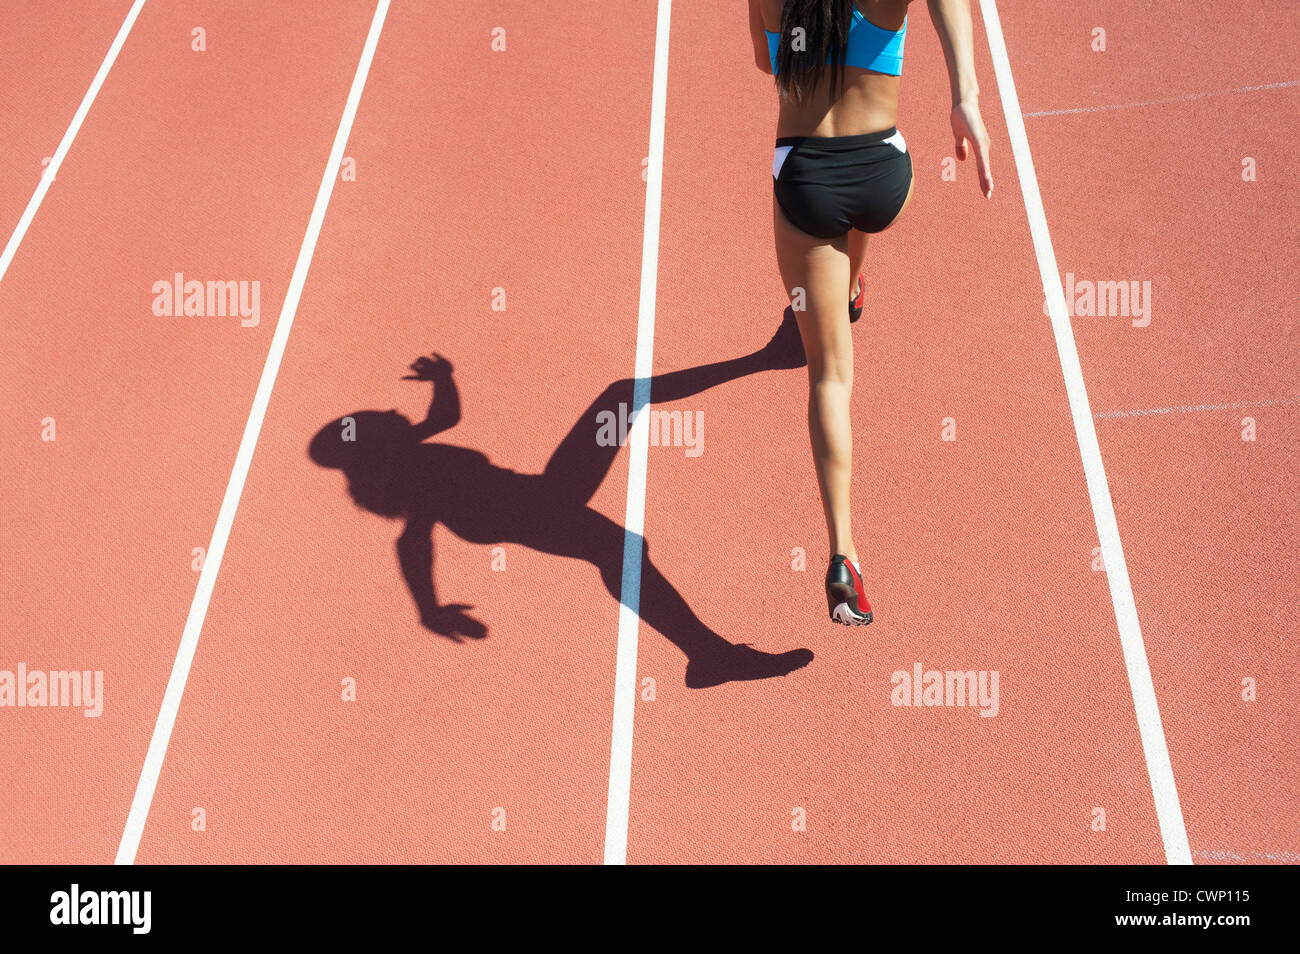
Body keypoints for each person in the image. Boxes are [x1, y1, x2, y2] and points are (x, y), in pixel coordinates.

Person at [749, 0, 993, 625]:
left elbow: (764, 62)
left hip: (806, 179)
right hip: (884, 174)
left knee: (831, 377)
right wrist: (964, 92)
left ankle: (842, 556)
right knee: (858, 222)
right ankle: (853, 283)